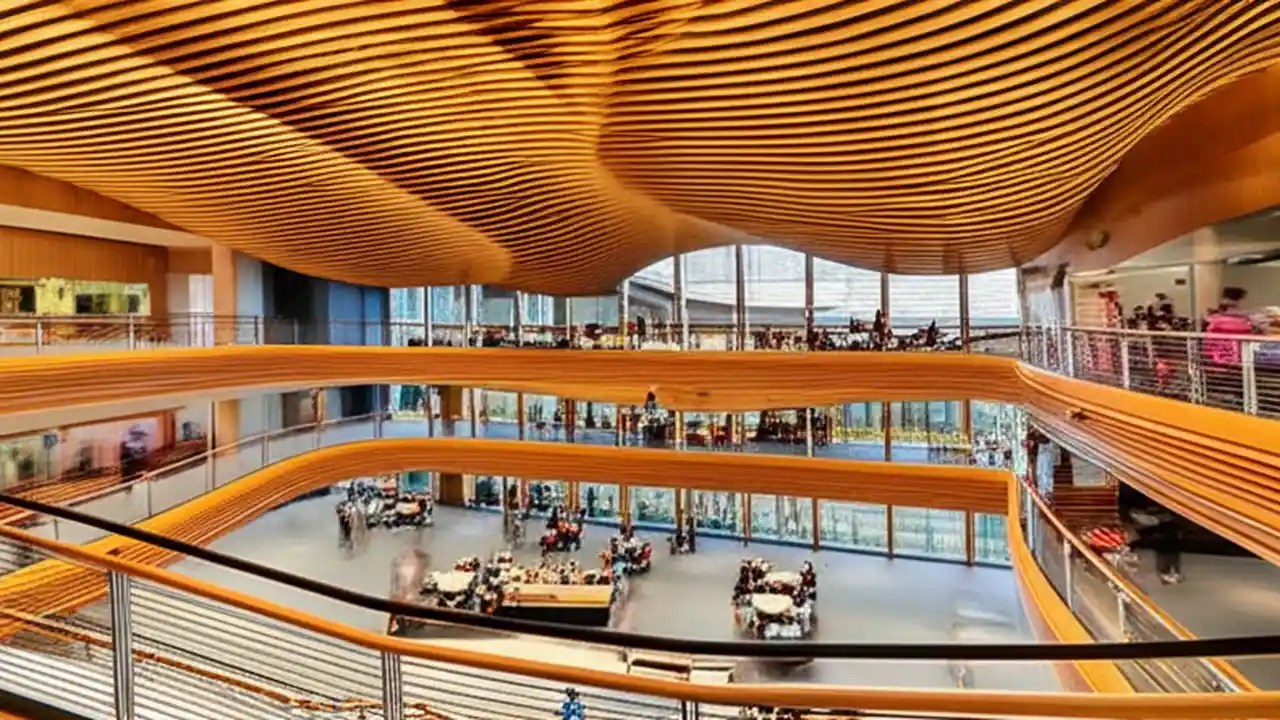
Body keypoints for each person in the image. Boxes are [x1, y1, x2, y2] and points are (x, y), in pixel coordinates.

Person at [1154, 520, 1182, 584]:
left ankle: (1168, 574)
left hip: (1166, 549)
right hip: (1169, 549)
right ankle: (1172, 574)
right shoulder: (1171, 533)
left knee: (1167, 562)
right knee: (1170, 562)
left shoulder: (1162, 533)